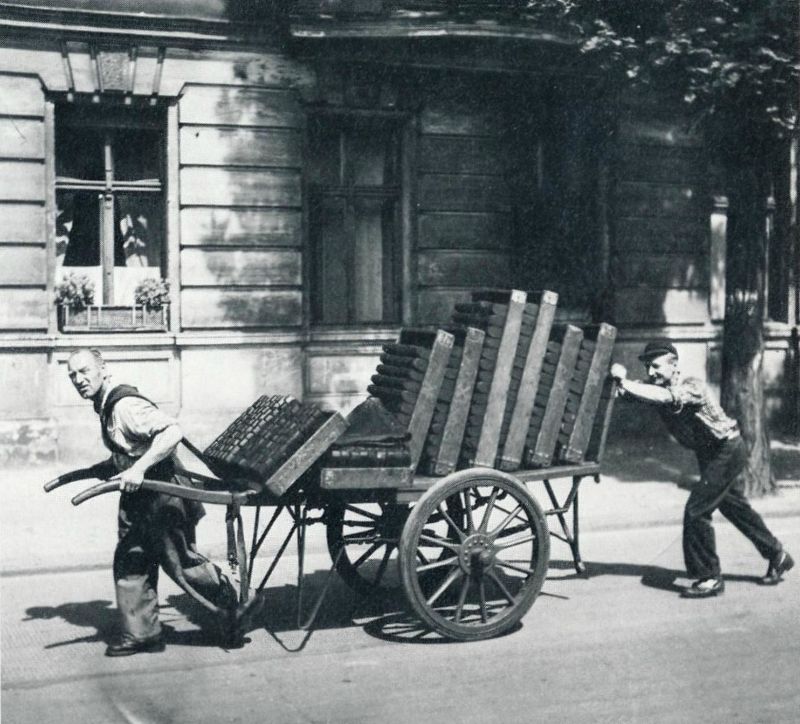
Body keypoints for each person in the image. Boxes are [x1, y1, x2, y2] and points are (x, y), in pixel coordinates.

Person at [61, 349, 237, 655]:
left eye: (84, 371)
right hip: (137, 497)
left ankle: (237, 607)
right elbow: (133, 446)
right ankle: (142, 633)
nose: (79, 380)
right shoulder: (105, 405)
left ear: (103, 368)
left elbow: (172, 431)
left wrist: (139, 468)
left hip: (162, 493)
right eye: (73, 375)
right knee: (132, 559)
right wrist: (109, 466)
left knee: (181, 564)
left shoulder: (125, 405)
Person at [610, 340, 794, 598]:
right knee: (734, 507)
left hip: (728, 449)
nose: (651, 373)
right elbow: (631, 392)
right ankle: (778, 555)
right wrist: (617, 374)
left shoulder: (691, 386)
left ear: (674, 366)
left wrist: (626, 383)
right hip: (711, 453)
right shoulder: (655, 385)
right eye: (648, 367)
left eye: (656, 366)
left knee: (696, 511)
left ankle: (708, 577)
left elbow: (665, 397)